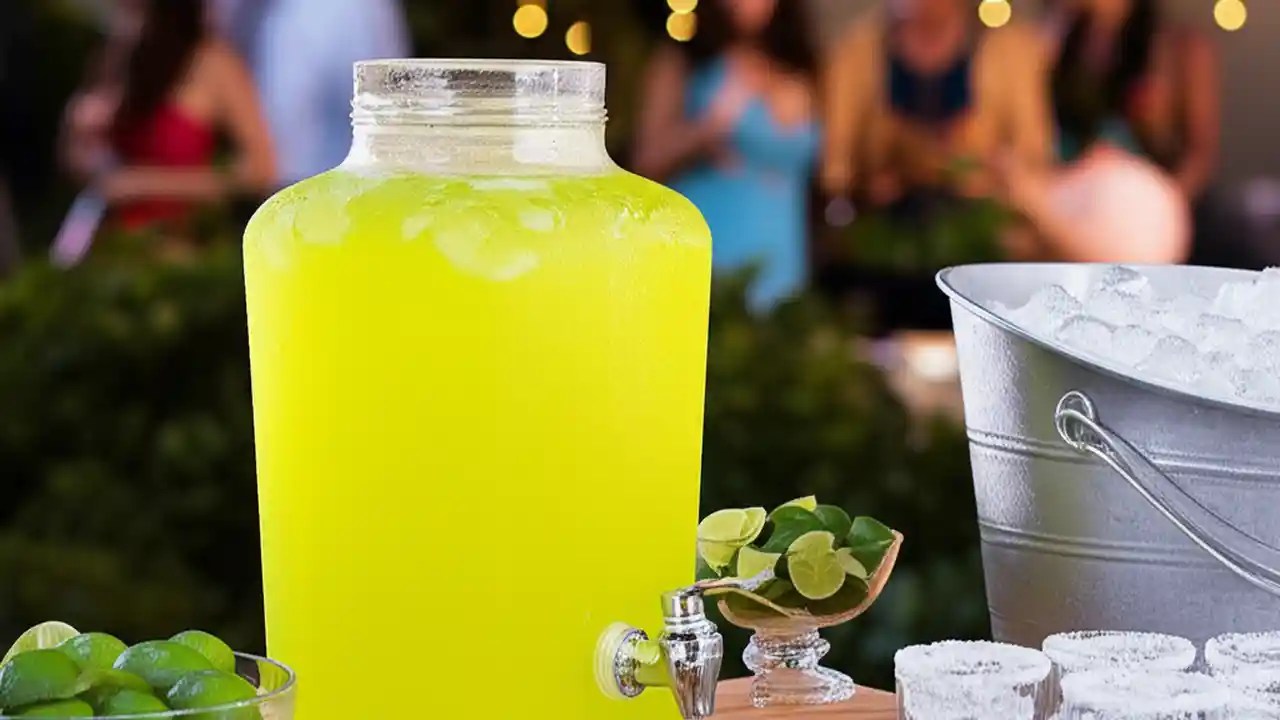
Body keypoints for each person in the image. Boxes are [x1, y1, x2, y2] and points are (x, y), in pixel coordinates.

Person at [633, 0, 820, 312]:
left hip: (783, 257)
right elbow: (645, 159)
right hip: (711, 248)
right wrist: (708, 128)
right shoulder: (685, 59)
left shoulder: (800, 67)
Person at [60, 0, 276, 246]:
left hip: (178, 252)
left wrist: (144, 184)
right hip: (110, 248)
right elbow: (79, 162)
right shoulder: (116, 56)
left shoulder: (211, 63)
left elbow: (261, 170)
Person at [822, 0, 1053, 205]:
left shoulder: (1012, 51)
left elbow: (1034, 157)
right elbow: (836, 168)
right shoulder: (856, 53)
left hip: (987, 227)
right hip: (884, 229)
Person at [214, 0, 411, 185]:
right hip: (266, 205)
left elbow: (387, 119)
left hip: (337, 202)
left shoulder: (353, 9)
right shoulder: (239, 9)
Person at [1049, 0, 1219, 202]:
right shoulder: (1060, 42)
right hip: (1067, 202)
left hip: (1140, 206)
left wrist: (1163, 206)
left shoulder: (1179, 48)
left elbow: (1199, 154)